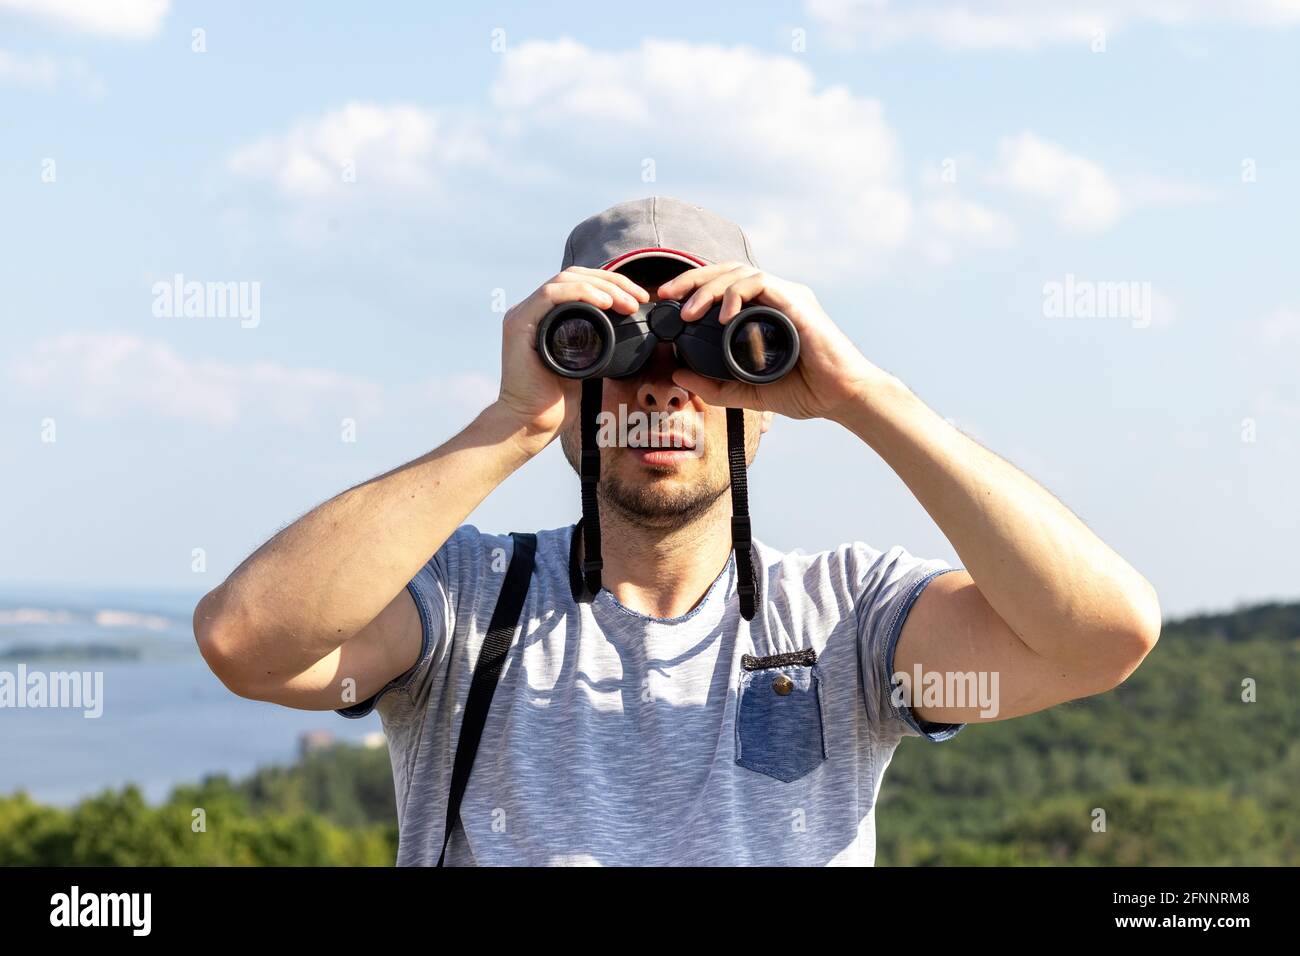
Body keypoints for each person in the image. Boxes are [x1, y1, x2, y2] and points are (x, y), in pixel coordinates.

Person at [193, 196, 1161, 866]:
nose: (658, 382)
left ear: (770, 394)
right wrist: (508, 421)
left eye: (711, 343)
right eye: (605, 345)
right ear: (562, 376)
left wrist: (867, 395)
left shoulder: (851, 618)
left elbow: (1100, 636)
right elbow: (250, 642)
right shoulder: (459, 599)